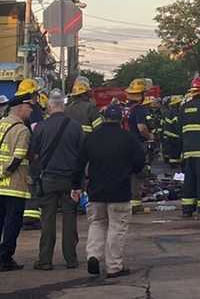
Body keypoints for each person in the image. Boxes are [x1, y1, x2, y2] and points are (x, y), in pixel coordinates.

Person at [75, 103, 145, 279]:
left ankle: (93, 256)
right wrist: (130, 171)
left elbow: (79, 163)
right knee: (117, 227)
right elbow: (139, 161)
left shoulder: (92, 137)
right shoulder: (128, 138)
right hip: (120, 191)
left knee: (97, 223)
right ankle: (114, 266)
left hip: (96, 191)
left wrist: (76, 185)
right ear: (121, 119)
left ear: (104, 118)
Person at [0, 93, 34, 272]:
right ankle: (5, 258)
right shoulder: (22, 130)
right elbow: (17, 158)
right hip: (14, 186)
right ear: (20, 108)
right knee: (12, 223)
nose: (31, 110)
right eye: (29, 106)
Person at [30, 90, 84, 271]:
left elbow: (34, 155)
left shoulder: (40, 127)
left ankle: (45, 260)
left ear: (49, 106)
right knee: (70, 219)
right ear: (64, 106)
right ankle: (71, 259)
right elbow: (81, 157)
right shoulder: (76, 127)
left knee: (47, 220)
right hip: (70, 180)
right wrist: (80, 184)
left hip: (48, 179)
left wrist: (36, 176)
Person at [177, 77, 200, 218]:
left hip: (187, 151)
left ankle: (187, 208)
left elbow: (179, 130)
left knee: (189, 180)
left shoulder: (184, 107)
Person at [16, 79, 45, 230]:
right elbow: (38, 131)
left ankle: (22, 215)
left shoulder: (15, 107)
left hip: (18, 152)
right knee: (32, 183)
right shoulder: (34, 110)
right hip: (32, 153)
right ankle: (31, 218)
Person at [121, 79, 154, 213]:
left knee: (125, 173)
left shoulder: (124, 108)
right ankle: (135, 204)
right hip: (136, 145)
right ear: (140, 95)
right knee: (138, 173)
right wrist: (150, 136)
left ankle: (125, 202)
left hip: (123, 145)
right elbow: (141, 128)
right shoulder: (140, 109)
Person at [160, 95, 182, 170]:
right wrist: (181, 134)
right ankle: (175, 166)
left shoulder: (168, 111)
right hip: (174, 135)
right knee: (175, 151)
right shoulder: (175, 112)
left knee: (171, 150)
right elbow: (177, 124)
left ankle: (172, 164)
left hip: (168, 134)